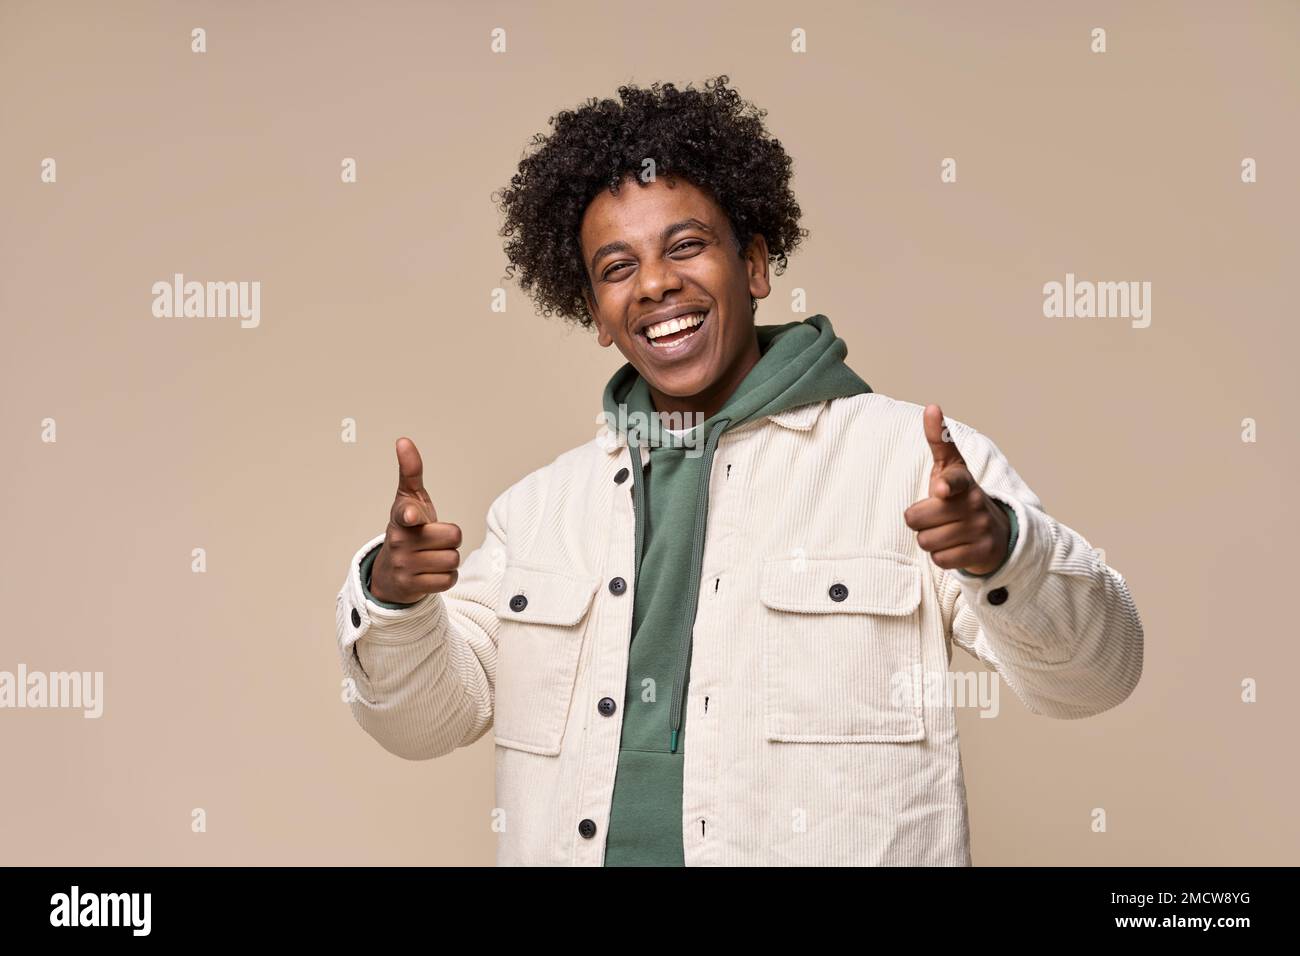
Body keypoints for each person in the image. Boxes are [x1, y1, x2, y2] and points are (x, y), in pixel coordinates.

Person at [334, 75, 1143, 866]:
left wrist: (1004, 551)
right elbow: (425, 724)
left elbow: (1093, 678)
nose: (655, 283)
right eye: (617, 268)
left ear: (754, 265)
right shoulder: (540, 510)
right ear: (594, 313)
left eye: (685, 246)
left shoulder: (908, 462)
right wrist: (395, 601)